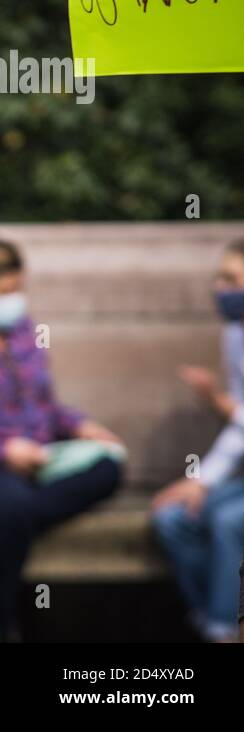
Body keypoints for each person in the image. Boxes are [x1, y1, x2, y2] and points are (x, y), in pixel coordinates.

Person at [0, 222, 122, 642]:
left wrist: (81, 426)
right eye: (5, 291)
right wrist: (3, 453)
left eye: (18, 289)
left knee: (108, 467)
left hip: (36, 462)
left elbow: (44, 404)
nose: (15, 301)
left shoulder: (19, 331)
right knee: (11, 505)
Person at [151, 239, 244, 643]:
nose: (220, 288)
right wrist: (202, 482)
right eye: (220, 278)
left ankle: (224, 627)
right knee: (173, 520)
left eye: (232, 279)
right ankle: (216, 624)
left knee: (228, 522)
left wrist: (218, 401)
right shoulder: (235, 333)